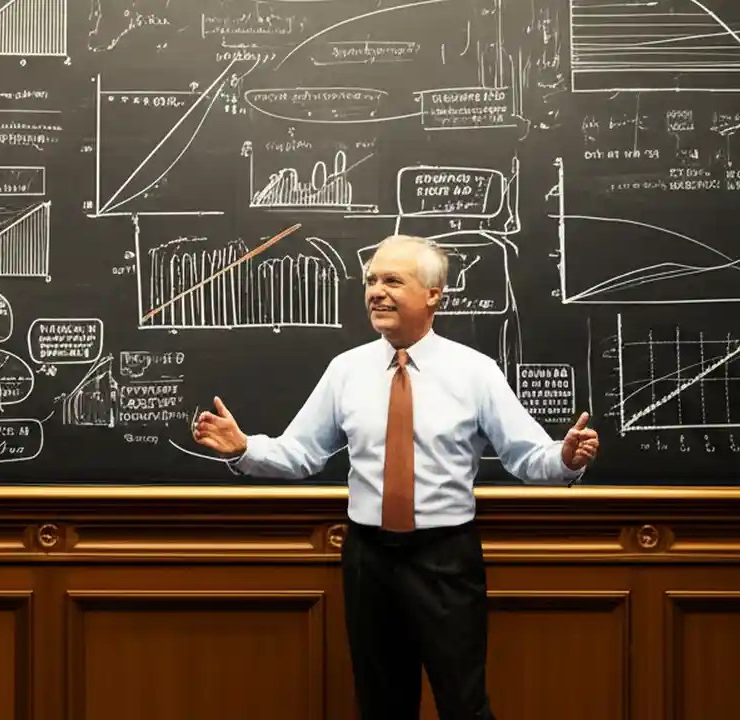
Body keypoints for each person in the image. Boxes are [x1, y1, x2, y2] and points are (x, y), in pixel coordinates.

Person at [192, 234, 599, 720]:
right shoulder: (346, 371)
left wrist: (567, 459)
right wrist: (245, 449)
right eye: (370, 281)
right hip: (369, 559)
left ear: (433, 295)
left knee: (464, 705)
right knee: (382, 706)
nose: (376, 292)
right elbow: (302, 453)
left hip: (445, 559)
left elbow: (528, 456)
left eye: (392, 281)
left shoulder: (475, 372)